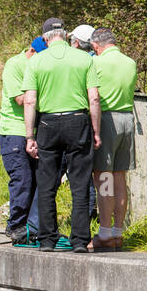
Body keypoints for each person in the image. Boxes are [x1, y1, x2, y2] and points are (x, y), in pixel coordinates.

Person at [23, 18, 101, 252]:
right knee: (80, 183)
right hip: (78, 121)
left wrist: (29, 136)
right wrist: (96, 130)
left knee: (47, 184)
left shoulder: (36, 61)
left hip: (48, 123)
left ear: (45, 38)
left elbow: (29, 100)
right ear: (67, 36)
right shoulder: (84, 59)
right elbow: (94, 97)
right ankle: (79, 241)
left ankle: (47, 240)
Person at [0, 36, 47, 244]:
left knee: (38, 180)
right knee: (22, 179)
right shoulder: (15, 65)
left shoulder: (40, 66)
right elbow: (20, 99)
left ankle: (32, 226)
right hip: (14, 131)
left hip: (35, 131)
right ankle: (16, 225)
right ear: (32, 53)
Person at [90, 27, 137, 249]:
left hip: (107, 121)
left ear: (96, 46)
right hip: (127, 119)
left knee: (104, 179)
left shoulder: (96, 63)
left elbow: (93, 97)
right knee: (120, 178)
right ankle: (118, 232)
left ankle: (105, 233)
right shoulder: (130, 62)